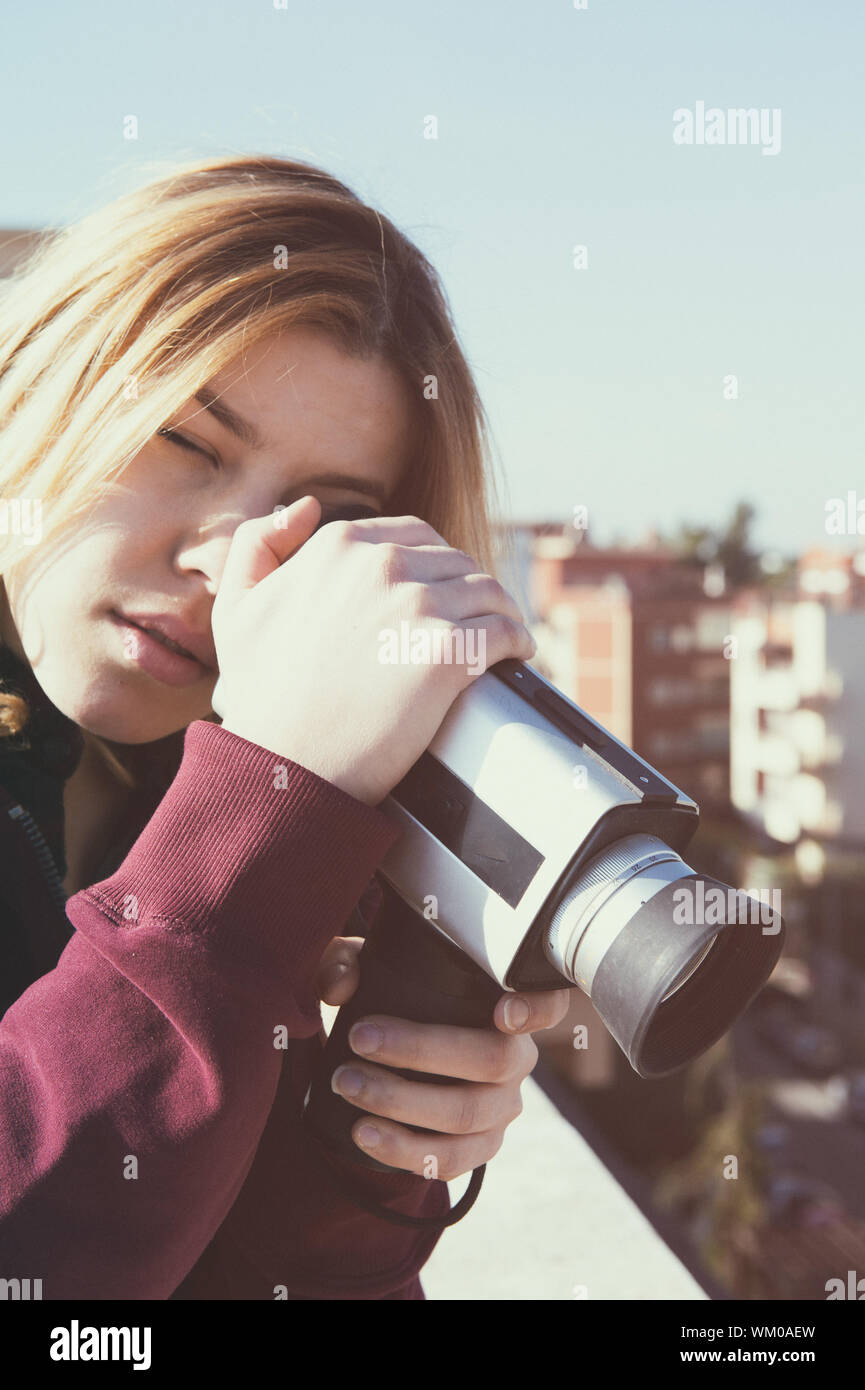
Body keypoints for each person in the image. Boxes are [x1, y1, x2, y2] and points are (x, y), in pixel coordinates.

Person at [0, 154, 570, 1301]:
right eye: (185, 443)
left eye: (325, 521)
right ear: (32, 380)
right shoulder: (251, 802)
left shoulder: (213, 781)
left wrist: (355, 1157)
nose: (224, 565)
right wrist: (241, 850)